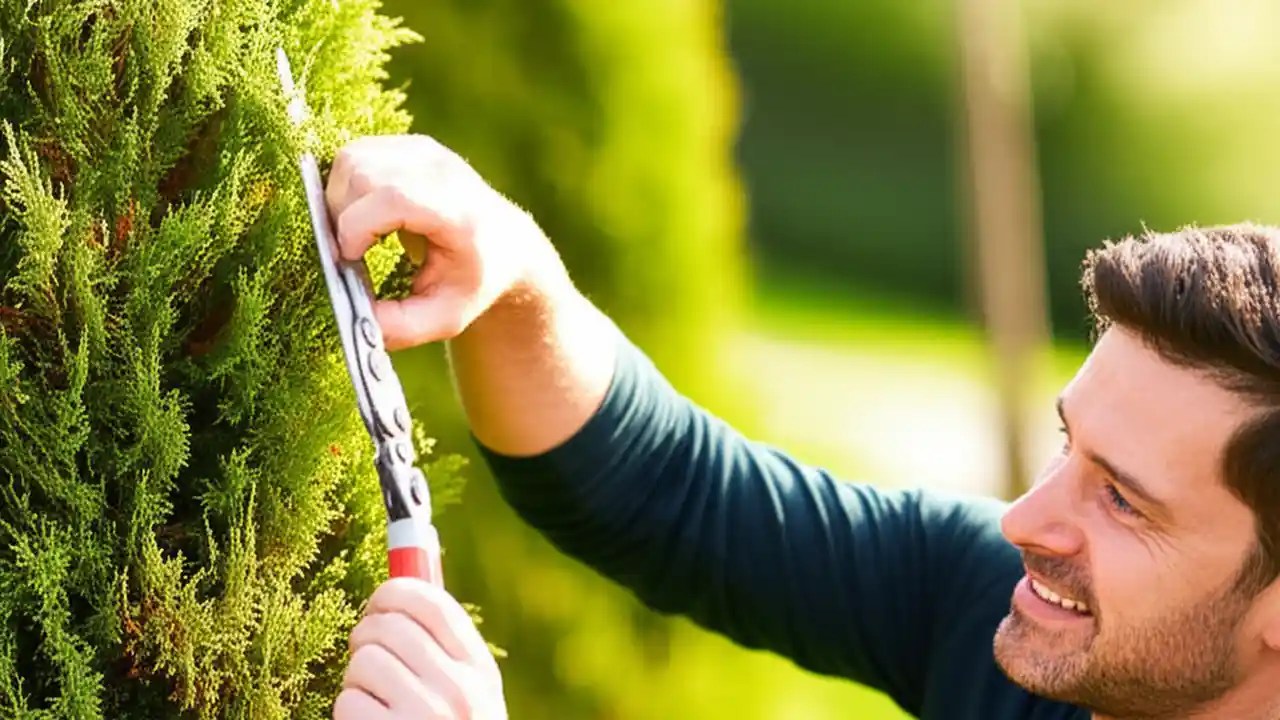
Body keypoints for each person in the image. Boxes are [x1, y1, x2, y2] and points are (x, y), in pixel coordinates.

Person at [326, 134, 1280, 720]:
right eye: (1070, 446)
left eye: (1121, 499)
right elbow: (669, 495)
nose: (1025, 522)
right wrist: (515, 270)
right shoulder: (1015, 609)